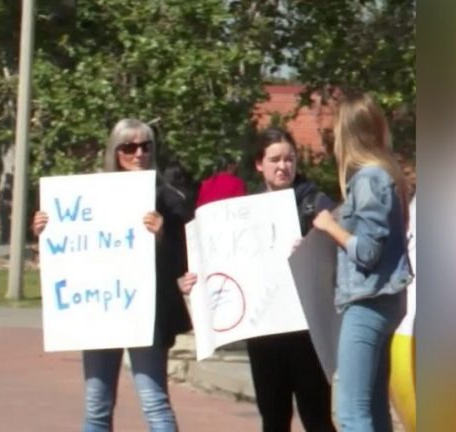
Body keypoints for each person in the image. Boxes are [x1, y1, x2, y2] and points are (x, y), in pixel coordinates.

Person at [33, 119, 193, 432]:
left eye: (146, 146)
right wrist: (44, 229)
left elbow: (183, 260)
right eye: (129, 147)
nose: (139, 154)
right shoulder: (90, 194)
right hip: (98, 309)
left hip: (146, 312)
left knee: (155, 401)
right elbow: (69, 247)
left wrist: (162, 238)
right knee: (97, 405)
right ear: (114, 152)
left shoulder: (170, 198)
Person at [178, 127, 336, 432]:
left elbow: (338, 254)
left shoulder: (315, 203)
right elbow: (220, 263)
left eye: (289, 159)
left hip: (306, 332)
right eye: (275, 159)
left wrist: (313, 249)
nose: (283, 166)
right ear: (259, 164)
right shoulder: (242, 213)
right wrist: (195, 281)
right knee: (273, 419)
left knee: (316, 418)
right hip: (264, 333)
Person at [312, 92, 412, 432]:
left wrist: (330, 227)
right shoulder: (386, 176)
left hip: (367, 303)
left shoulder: (369, 179)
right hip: (385, 300)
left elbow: (368, 252)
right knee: (372, 405)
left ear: (347, 135)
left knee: (352, 412)